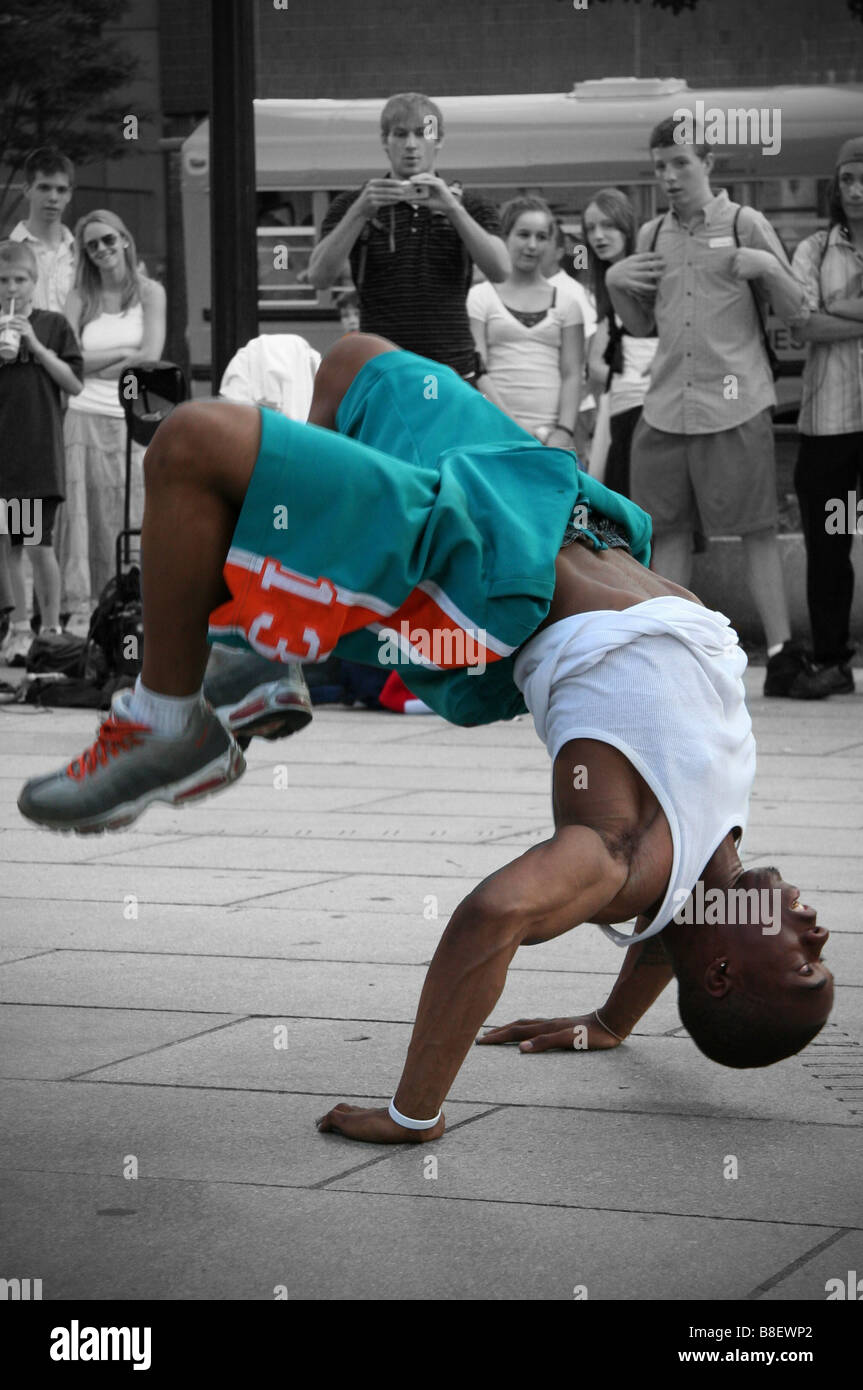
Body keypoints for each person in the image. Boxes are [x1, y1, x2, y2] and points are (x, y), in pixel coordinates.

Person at [18, 336, 833, 1150]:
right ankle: (263, 650)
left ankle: (171, 721)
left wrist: (415, 1108)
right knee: (355, 364)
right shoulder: (705, 867)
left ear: (726, 973)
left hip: (480, 580)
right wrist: (609, 1023)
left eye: (803, 965)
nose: (818, 935)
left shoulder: (619, 857)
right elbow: (676, 938)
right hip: (541, 504)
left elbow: (494, 916)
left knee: (192, 442)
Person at [606, 117, 815, 698]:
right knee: (666, 533)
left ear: (709, 163)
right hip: (667, 405)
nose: (669, 177)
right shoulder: (651, 236)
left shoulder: (748, 223)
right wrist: (616, 282)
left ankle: (782, 658)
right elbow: (642, 324)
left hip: (736, 402)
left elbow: (799, 310)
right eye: (659, 168)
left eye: (681, 164)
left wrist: (770, 266)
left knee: (755, 530)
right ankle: (671, 657)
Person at [308, 92, 510, 381]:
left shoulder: (469, 203)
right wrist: (361, 211)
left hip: (452, 371)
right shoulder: (355, 203)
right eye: (400, 135)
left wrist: (453, 208)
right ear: (384, 141)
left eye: (423, 133)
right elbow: (318, 277)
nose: (412, 145)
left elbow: (501, 270)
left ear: (439, 140)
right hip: (381, 371)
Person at [54, 210, 166, 635]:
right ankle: (82, 606)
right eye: (92, 245)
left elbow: (151, 355)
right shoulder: (79, 295)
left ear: (124, 239)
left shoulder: (150, 292)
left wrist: (97, 364)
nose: (101, 250)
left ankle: (133, 596)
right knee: (82, 515)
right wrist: (123, 359)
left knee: (132, 508)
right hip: (82, 415)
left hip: (132, 416)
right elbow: (70, 361)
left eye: (107, 240)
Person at [787, 136, 863, 699]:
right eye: (847, 180)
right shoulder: (813, 248)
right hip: (828, 425)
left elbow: (819, 314)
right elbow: (803, 324)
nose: (856, 190)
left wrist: (831, 310)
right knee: (828, 547)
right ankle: (832, 659)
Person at [0, 240, 83, 666]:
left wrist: (34, 343)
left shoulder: (51, 324)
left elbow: (74, 382)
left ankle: (49, 628)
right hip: (5, 456)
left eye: (20, 279)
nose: (12, 286)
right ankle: (17, 628)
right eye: (4, 280)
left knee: (36, 543)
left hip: (36, 453)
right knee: (7, 544)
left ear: (34, 283)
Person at [467, 196, 584, 450]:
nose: (532, 245)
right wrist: (513, 426)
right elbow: (477, 371)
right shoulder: (479, 297)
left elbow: (573, 373)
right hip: (494, 431)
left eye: (542, 237)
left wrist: (564, 431)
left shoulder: (568, 303)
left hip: (553, 439)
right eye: (523, 235)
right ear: (505, 237)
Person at [584, 189, 657, 499]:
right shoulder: (605, 285)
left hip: (649, 410)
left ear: (627, 227)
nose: (598, 236)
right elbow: (596, 365)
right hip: (620, 411)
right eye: (590, 228)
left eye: (608, 225)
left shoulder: (646, 274)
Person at [541, 218, 598, 462]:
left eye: (543, 239)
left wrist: (573, 407)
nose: (534, 247)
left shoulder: (575, 294)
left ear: (559, 251)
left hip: (572, 412)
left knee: (571, 481)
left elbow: (589, 352)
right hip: (533, 408)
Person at [8, 148, 77, 314]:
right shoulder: (5, 252)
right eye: (44, 188)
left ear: (69, 195)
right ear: (27, 190)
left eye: (61, 190)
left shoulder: (82, 255)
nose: (53, 197)